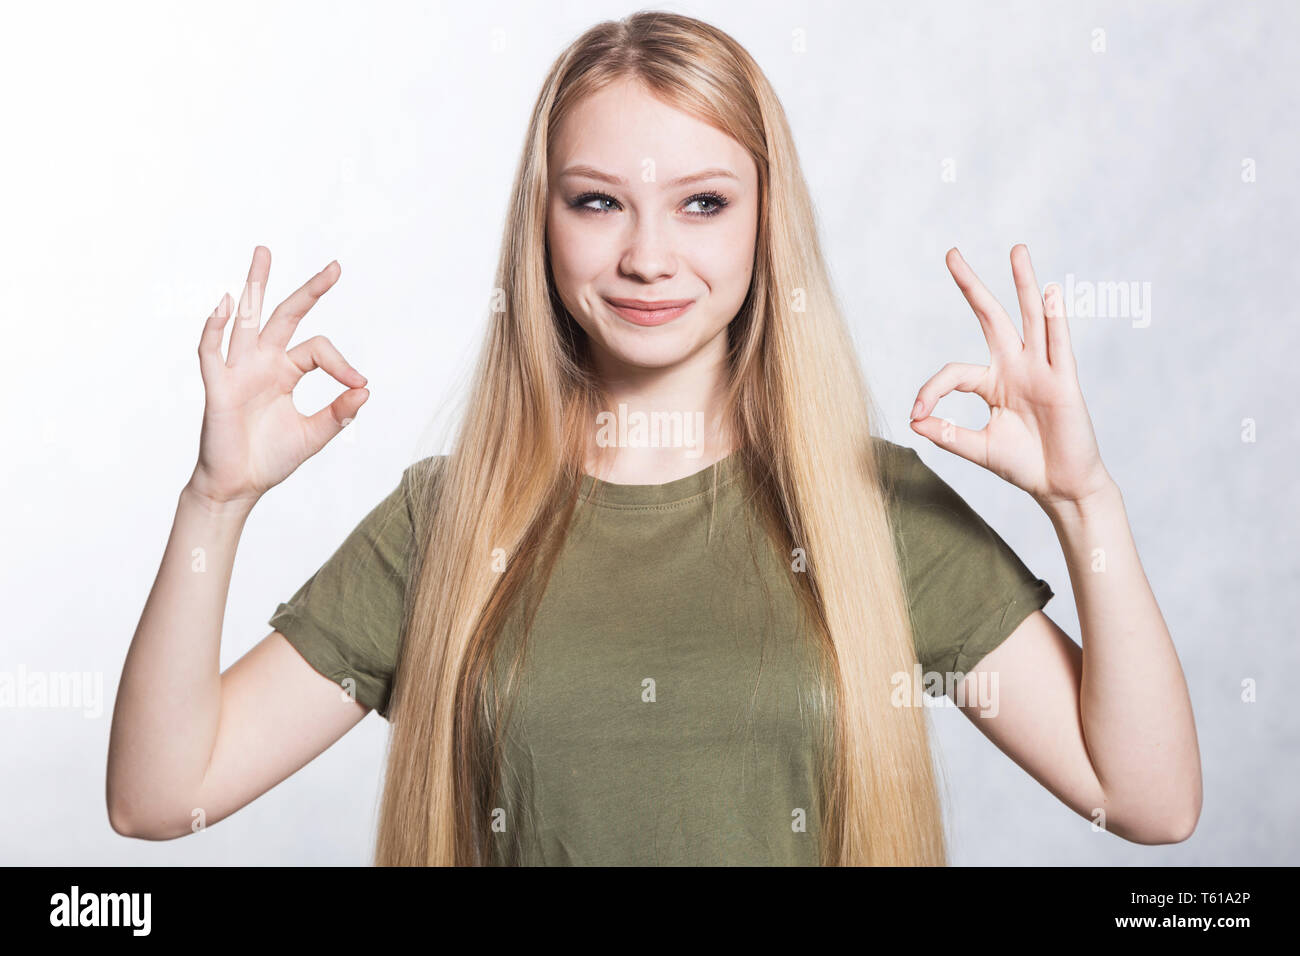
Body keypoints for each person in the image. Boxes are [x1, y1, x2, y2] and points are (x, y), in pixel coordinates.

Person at [107, 11, 1201, 865]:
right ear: (542, 221)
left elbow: (1147, 799)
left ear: (764, 223)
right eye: (596, 202)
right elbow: (159, 795)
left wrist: (1084, 503)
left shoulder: (872, 510)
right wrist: (214, 503)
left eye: (702, 203)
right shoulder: (445, 519)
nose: (646, 256)